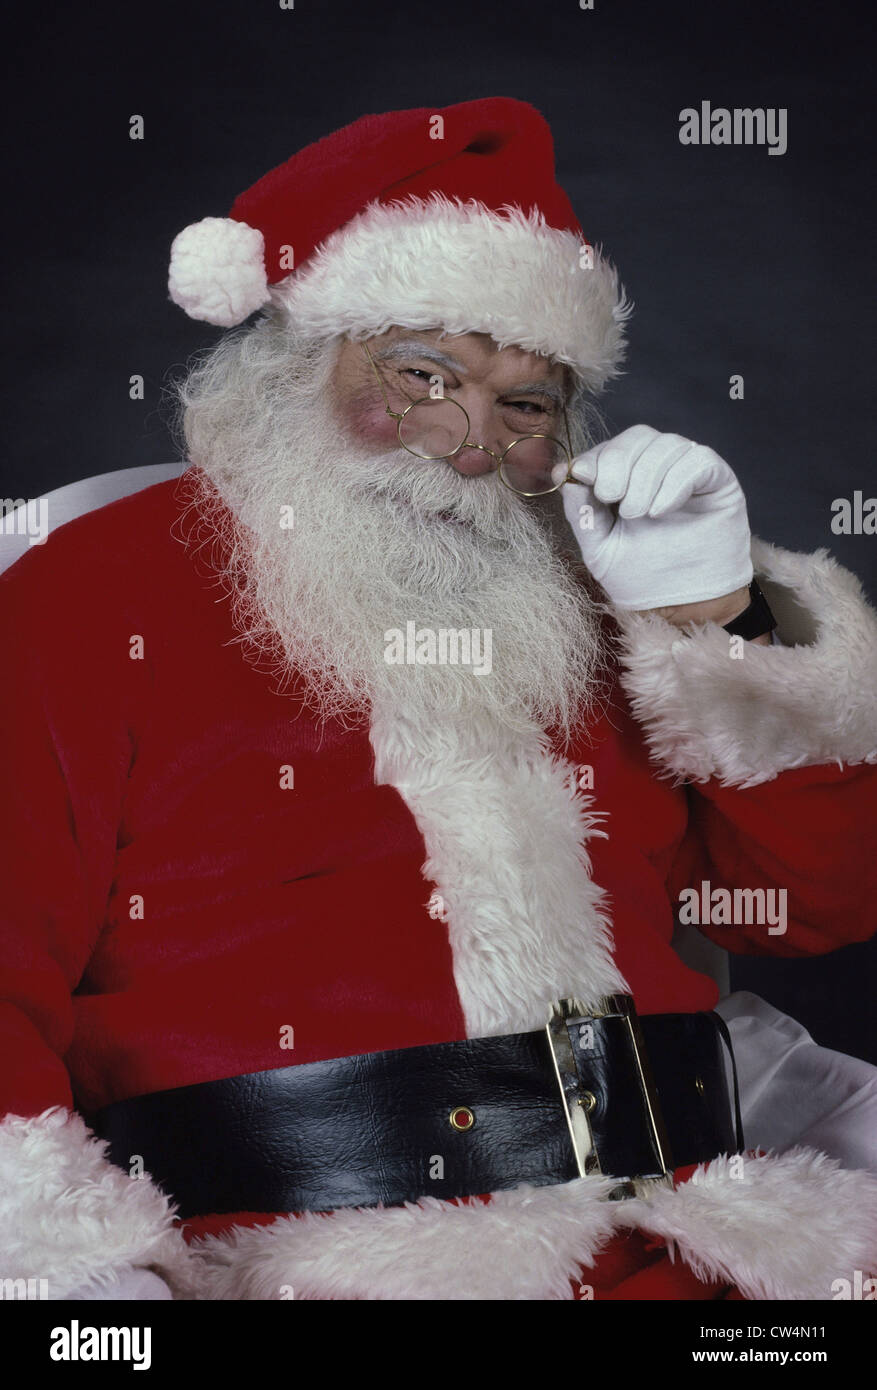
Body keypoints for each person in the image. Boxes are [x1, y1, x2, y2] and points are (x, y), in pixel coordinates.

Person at [1, 96, 876, 1303]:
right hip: (301, 1262)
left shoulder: (597, 592)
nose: (470, 441)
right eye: (424, 375)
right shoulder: (89, 596)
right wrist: (79, 1287)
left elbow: (815, 906)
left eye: (526, 404)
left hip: (703, 1242)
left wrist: (717, 619)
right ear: (296, 364)